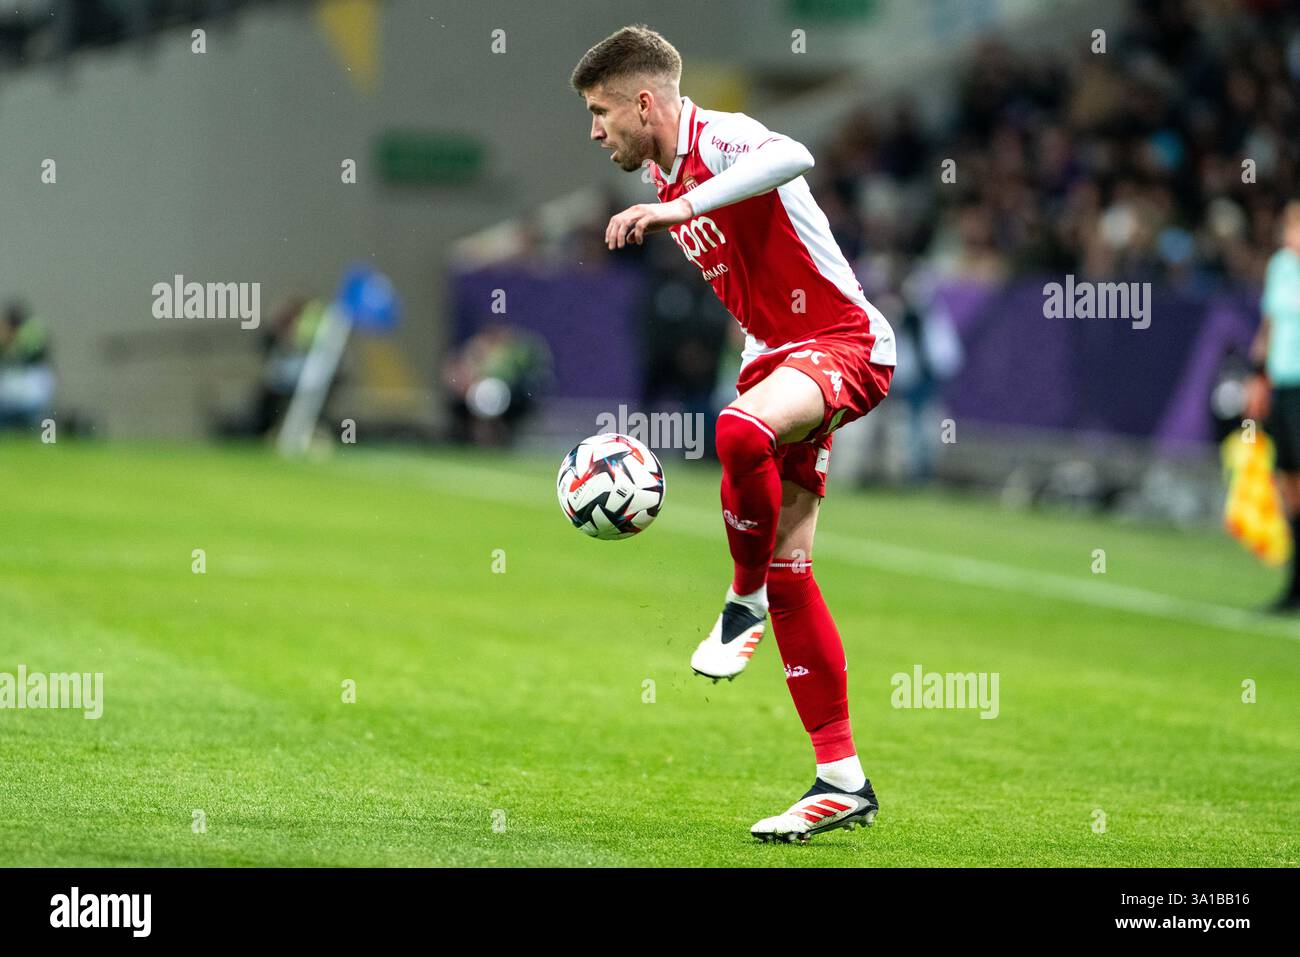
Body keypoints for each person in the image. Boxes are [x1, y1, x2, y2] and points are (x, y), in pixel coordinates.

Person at [571, 25, 897, 842]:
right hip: (779, 354)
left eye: (600, 110)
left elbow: (793, 156)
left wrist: (676, 206)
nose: (594, 128)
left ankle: (740, 594)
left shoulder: (720, 136)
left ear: (645, 101)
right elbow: (752, 274)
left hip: (843, 342)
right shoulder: (657, 167)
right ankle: (841, 779)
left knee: (740, 433)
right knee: (796, 570)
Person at [1246, 200, 1300, 612]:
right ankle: (1294, 582)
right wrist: (1258, 376)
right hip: (1283, 386)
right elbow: (1268, 326)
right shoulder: (1281, 266)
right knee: (1289, 484)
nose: (1289, 233)